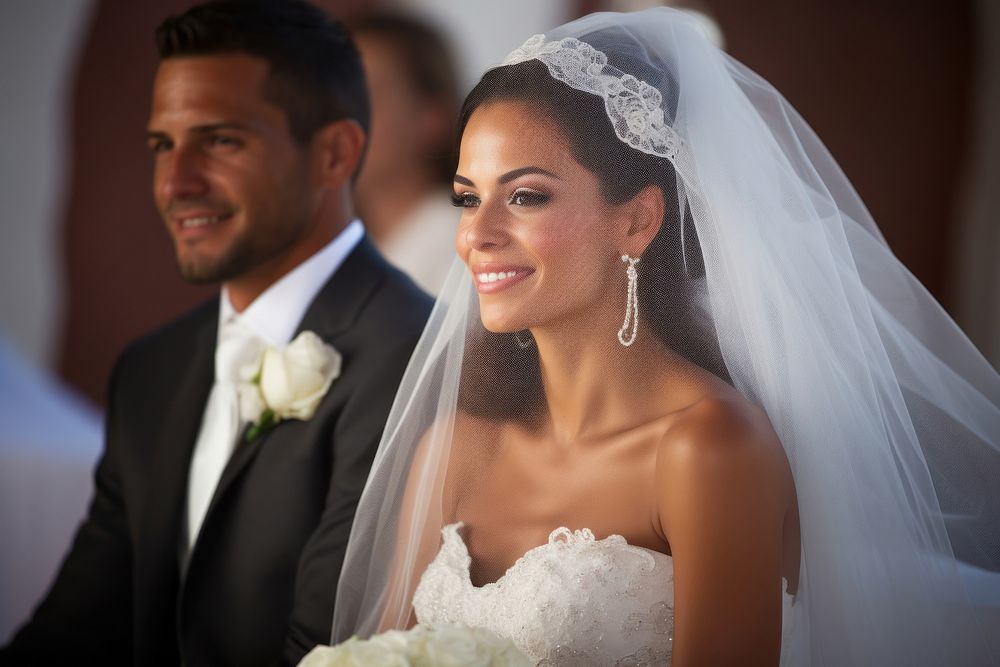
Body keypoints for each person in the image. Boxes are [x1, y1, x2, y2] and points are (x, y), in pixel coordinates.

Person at [329, 8, 1000, 666]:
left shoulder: (708, 449)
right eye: (468, 197)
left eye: (525, 196)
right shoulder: (452, 448)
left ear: (638, 220)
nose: (477, 235)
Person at [0, 1, 432, 666]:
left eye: (221, 140)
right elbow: (79, 626)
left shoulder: (410, 357)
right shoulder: (153, 369)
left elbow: (328, 647)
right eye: (162, 145)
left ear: (335, 154)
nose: (176, 182)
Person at [350, 12, 462, 295]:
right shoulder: (349, 247)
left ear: (433, 118)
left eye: (365, 95)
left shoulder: (462, 242)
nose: (340, 118)